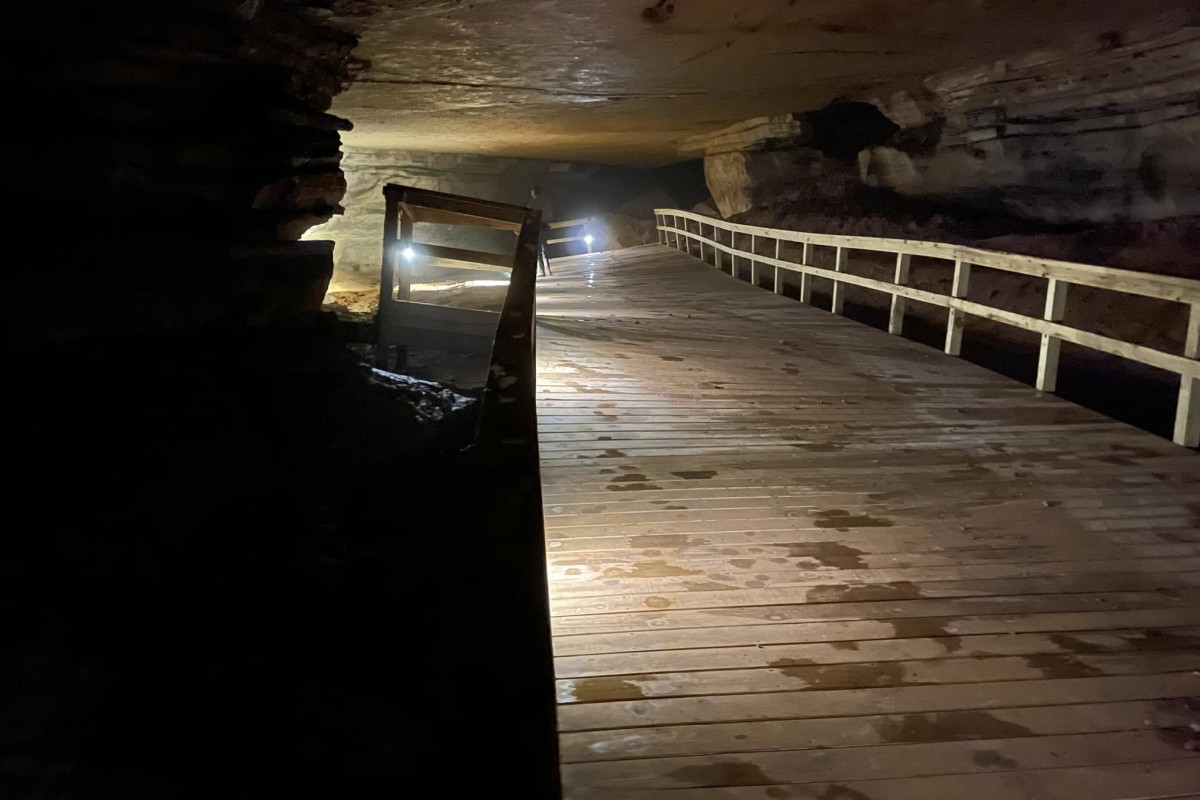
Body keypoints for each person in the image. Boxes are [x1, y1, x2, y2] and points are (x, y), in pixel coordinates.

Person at [529, 185, 553, 277]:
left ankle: (542, 271)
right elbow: (550, 215)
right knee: (545, 249)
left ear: (533, 192)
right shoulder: (546, 201)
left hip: (536, 227)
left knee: (538, 250)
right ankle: (549, 270)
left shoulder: (532, 203)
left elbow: (529, 216)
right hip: (545, 226)